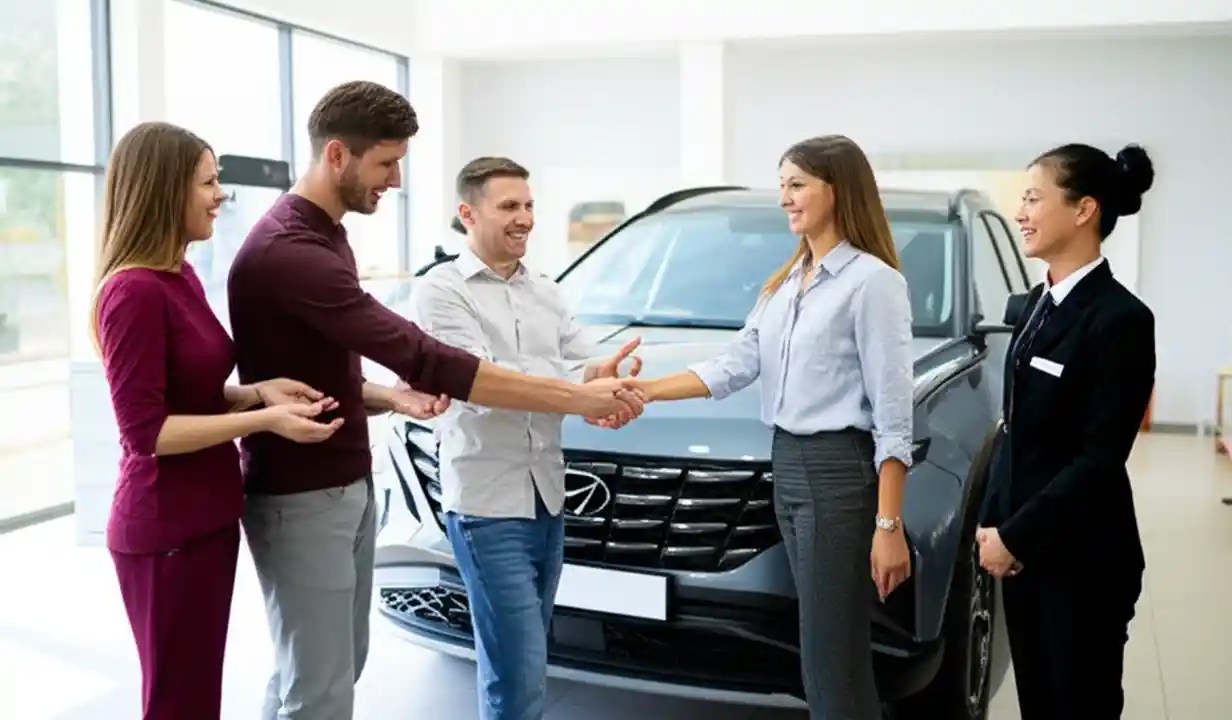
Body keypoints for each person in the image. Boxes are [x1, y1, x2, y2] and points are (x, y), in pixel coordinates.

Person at [226, 81, 644, 720]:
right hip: (306, 493)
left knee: (320, 674)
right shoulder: (292, 249)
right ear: (337, 155)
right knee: (319, 688)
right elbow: (431, 359)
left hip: (343, 482)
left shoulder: (325, 236)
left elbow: (313, 371)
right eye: (387, 163)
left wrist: (386, 397)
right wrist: (576, 396)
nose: (395, 180)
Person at [633, 134, 914, 720]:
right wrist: (645, 390)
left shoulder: (872, 283)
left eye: (797, 185)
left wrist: (888, 525)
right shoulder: (787, 282)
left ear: (838, 190)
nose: (784, 198)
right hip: (787, 466)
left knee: (833, 659)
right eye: (781, 185)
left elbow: (893, 415)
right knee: (819, 652)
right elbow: (735, 365)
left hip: (837, 472)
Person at [91, 121, 344, 720]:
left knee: (198, 694)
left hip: (207, 517)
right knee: (179, 703)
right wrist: (263, 421)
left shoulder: (179, 276)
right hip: (164, 529)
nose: (220, 195)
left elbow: (192, 391)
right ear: (163, 190)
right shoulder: (132, 293)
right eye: (208, 182)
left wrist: (255, 393)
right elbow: (147, 434)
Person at [413, 156, 642, 720]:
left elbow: (579, 360)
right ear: (467, 214)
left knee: (530, 661)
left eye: (530, 205)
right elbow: (483, 385)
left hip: (547, 499)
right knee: (516, 676)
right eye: (509, 206)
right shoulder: (442, 290)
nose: (525, 219)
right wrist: (580, 392)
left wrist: (606, 377)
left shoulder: (545, 290)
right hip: (488, 506)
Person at [976, 143, 1156, 720]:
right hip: (1025, 552)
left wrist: (1016, 536)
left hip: (1082, 563)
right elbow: (1016, 427)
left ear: (1084, 210)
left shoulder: (1120, 319)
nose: (1021, 213)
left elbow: (1099, 460)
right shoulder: (1037, 305)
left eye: (1033, 198)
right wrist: (990, 524)